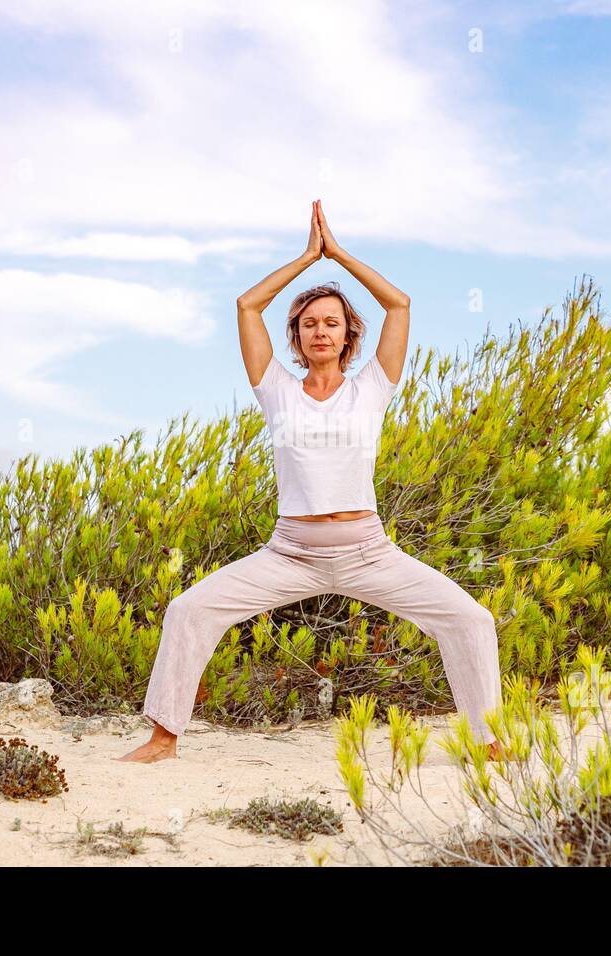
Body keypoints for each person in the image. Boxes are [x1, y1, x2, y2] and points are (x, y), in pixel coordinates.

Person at [118, 200, 504, 762]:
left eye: (331, 322)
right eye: (308, 324)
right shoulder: (275, 387)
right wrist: (306, 258)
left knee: (470, 619)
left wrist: (338, 254)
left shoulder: (371, 385)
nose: (320, 331)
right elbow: (248, 305)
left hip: (369, 552)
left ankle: (487, 742)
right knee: (189, 611)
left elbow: (399, 303)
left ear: (349, 333)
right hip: (290, 552)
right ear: (295, 338)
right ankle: (163, 738)